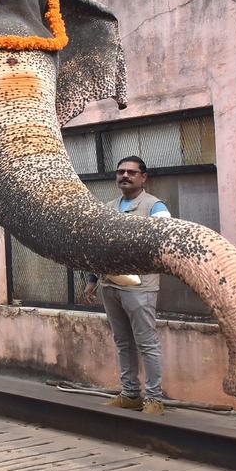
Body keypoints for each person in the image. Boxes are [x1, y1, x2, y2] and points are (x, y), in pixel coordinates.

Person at [84, 156, 172, 414]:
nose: (125, 176)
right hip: (110, 285)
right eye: (121, 172)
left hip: (140, 287)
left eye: (131, 172)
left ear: (143, 177)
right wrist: (91, 280)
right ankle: (130, 393)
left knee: (147, 343)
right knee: (123, 341)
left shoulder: (155, 207)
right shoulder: (108, 207)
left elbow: (162, 238)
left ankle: (154, 399)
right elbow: (97, 248)